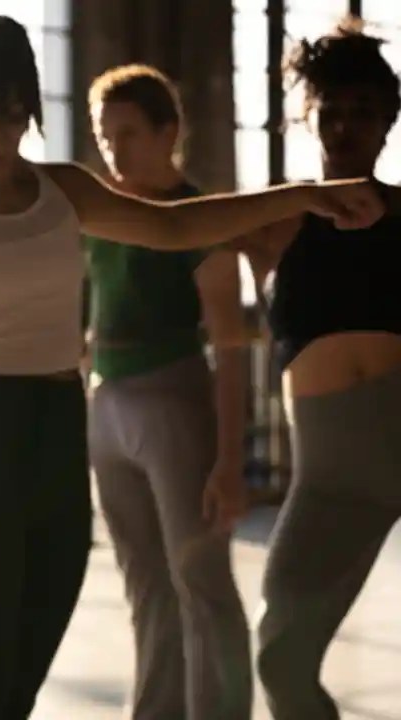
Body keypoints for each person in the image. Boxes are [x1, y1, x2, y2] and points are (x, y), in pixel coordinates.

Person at [0, 15, 383, 720]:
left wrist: (303, 196)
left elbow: (175, 225)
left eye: (14, 116)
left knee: (17, 690)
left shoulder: (62, 189)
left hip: (58, 439)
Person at [231, 19, 401, 720]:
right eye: (331, 110)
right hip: (330, 478)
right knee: (280, 657)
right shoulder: (277, 219)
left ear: (389, 121)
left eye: (363, 111)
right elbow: (179, 228)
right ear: (308, 116)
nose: (345, 126)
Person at [84, 63, 252, 720]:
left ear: (168, 132)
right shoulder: (101, 217)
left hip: (174, 398)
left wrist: (230, 461)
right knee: (145, 586)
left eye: (127, 133)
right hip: (106, 404)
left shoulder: (199, 219)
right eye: (105, 135)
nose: (113, 149)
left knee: (201, 582)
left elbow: (231, 345)